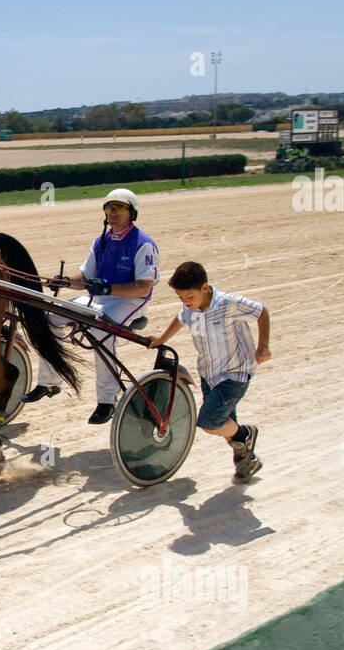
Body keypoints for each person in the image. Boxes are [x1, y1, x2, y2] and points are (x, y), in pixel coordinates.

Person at [21, 187, 160, 424]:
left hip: (130, 301)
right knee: (49, 317)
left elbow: (143, 287)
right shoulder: (101, 242)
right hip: (101, 300)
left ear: (132, 213)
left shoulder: (143, 244)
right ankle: (48, 383)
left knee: (99, 330)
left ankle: (107, 401)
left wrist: (107, 288)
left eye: (119, 208)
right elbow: (85, 278)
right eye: (109, 208)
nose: (112, 212)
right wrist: (65, 282)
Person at [146, 261, 271, 481]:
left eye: (190, 297)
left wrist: (263, 346)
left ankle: (245, 435)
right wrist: (162, 338)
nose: (186, 303)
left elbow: (261, 312)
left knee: (210, 422)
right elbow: (181, 317)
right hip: (208, 374)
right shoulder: (190, 307)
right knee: (224, 422)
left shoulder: (228, 303)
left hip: (235, 374)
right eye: (181, 298)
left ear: (205, 288)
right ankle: (247, 460)